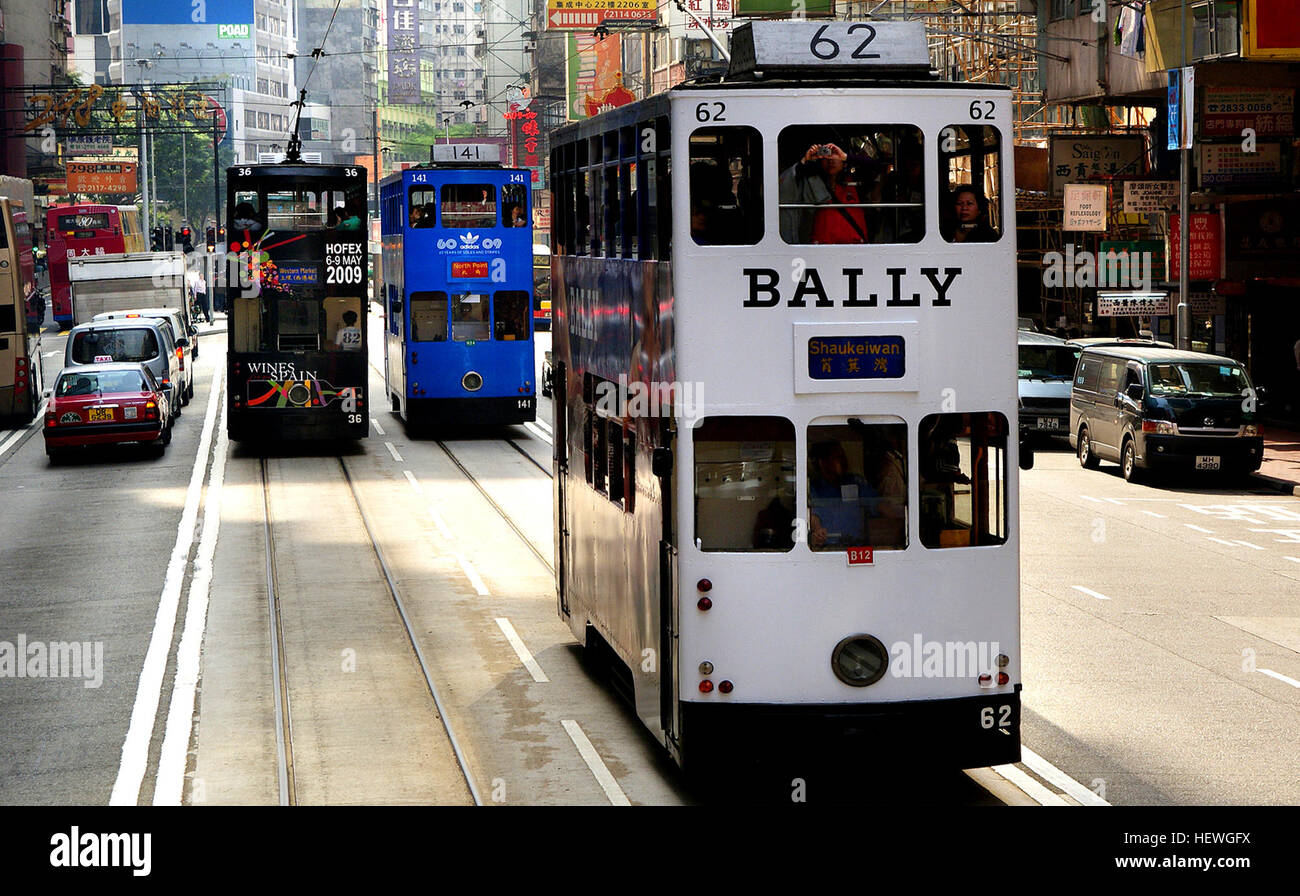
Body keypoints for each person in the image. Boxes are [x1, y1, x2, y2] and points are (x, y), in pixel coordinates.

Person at [779, 142, 870, 245]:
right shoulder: (811, 184)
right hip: (820, 249)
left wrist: (846, 156)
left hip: (854, 247)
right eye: (826, 155)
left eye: (835, 155)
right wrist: (805, 161)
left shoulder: (855, 183)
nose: (831, 159)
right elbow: (789, 182)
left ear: (844, 162)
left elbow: (877, 166)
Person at [808, 440, 878, 549]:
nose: (844, 461)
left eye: (842, 456)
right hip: (827, 549)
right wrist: (818, 531)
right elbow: (813, 514)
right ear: (822, 462)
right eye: (837, 457)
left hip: (857, 548)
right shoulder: (814, 488)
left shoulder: (856, 481)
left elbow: (878, 504)